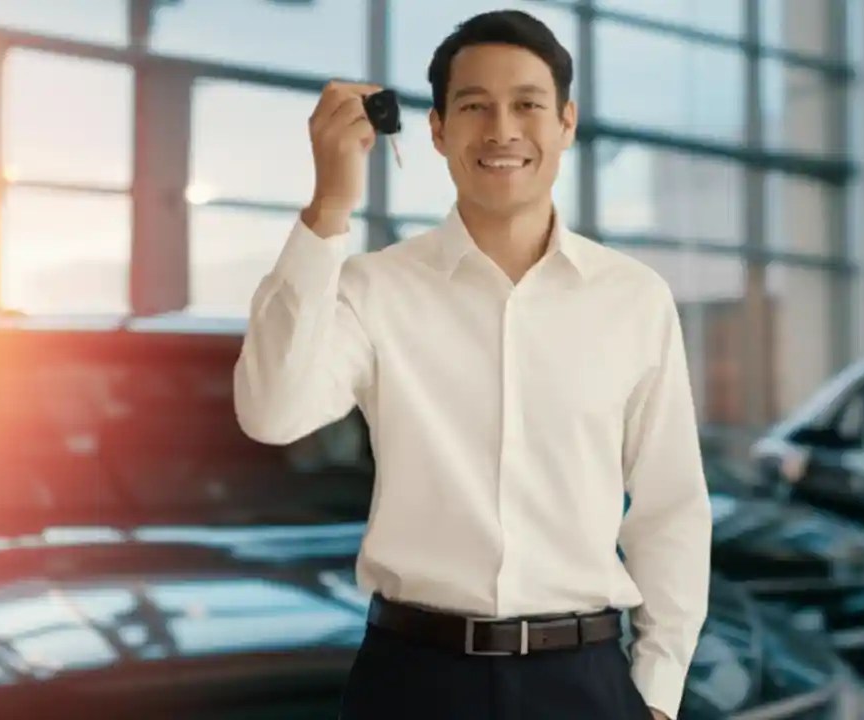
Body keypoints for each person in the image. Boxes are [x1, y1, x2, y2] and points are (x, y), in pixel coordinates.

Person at [233, 9, 710, 720]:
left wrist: (659, 695)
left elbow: (671, 508)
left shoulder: (634, 299)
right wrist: (329, 206)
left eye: (527, 105)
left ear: (566, 123)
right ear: (437, 130)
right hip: (413, 681)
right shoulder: (374, 288)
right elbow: (272, 413)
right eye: (474, 106)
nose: (502, 130)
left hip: (584, 684)